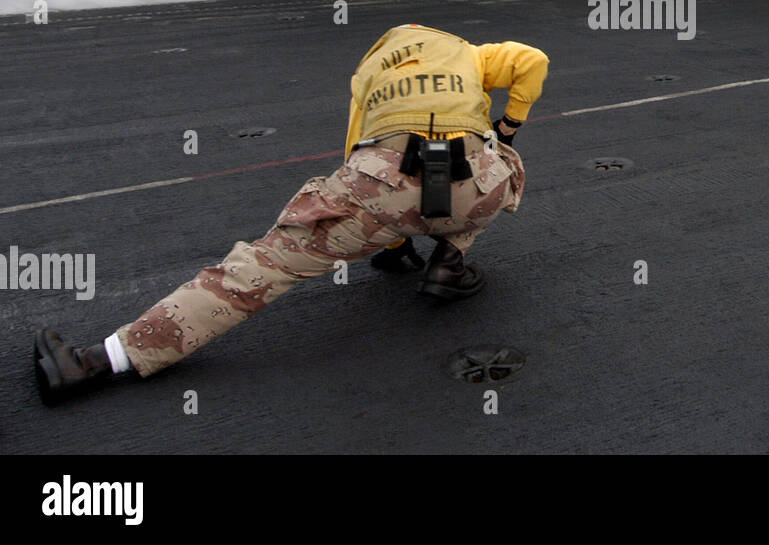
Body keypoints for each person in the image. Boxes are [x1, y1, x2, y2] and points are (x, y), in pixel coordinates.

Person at [33, 25, 549, 405]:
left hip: (382, 183)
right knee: (502, 166)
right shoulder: (467, 52)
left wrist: (391, 243)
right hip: (474, 182)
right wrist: (507, 128)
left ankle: (97, 361)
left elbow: (356, 153)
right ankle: (451, 262)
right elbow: (533, 60)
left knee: (258, 268)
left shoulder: (369, 73)